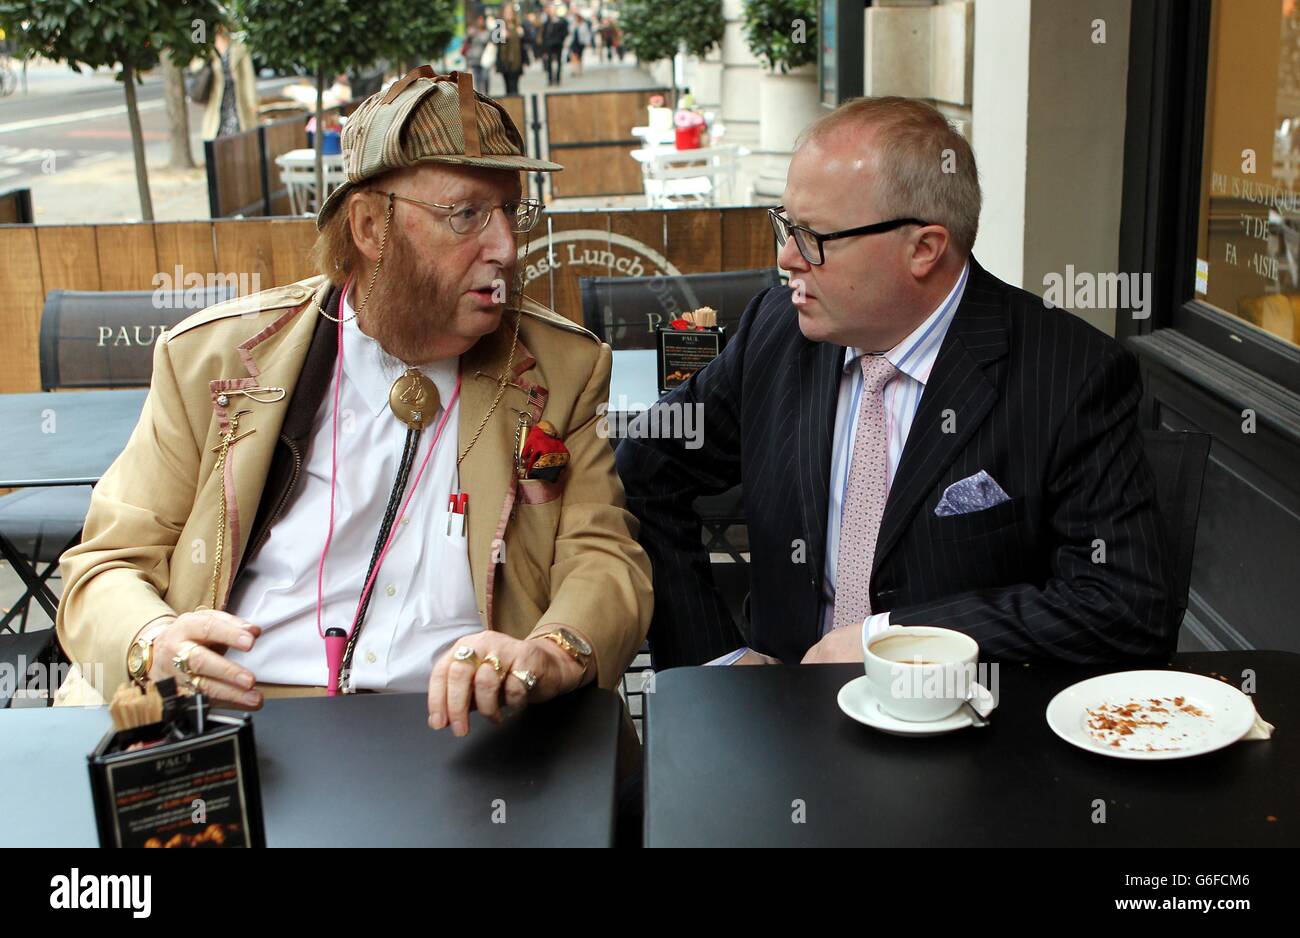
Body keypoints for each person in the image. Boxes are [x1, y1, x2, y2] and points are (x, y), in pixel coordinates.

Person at [56, 67, 653, 740]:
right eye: (466, 215)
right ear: (371, 226)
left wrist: (548, 653)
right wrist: (153, 642)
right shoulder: (212, 360)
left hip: (470, 729)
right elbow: (104, 566)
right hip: (244, 716)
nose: (508, 248)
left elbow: (604, 559)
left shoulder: (562, 367)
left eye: (512, 212)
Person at [615, 96, 1175, 669]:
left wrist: (894, 639)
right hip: (780, 716)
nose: (786, 257)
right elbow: (643, 469)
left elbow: (1125, 604)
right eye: (785, 225)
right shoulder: (776, 332)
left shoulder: (1068, 374)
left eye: (814, 237)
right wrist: (719, 662)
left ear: (924, 249)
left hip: (964, 733)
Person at [201, 24, 258, 140]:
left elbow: (248, 77)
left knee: (238, 134)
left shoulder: (240, 48)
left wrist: (252, 101)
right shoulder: (209, 51)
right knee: (217, 135)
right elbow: (196, 69)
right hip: (217, 101)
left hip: (237, 99)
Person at [497, 4, 525, 96]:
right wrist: (501, 37)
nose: (509, 15)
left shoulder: (518, 27)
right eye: (507, 13)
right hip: (505, 61)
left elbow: (527, 42)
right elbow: (493, 41)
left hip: (516, 61)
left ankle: (516, 107)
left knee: (515, 87)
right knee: (507, 88)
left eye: (510, 13)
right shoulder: (500, 26)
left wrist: (522, 34)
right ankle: (509, 108)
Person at [541, 5, 569, 86]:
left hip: (558, 44)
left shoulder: (561, 21)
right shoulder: (547, 22)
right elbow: (544, 34)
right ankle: (550, 79)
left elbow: (565, 32)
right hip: (549, 44)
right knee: (549, 62)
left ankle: (557, 79)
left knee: (559, 62)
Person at [464, 15, 491, 95]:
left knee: (485, 77)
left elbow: (485, 41)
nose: (480, 22)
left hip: (484, 59)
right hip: (474, 59)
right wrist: (469, 35)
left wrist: (476, 34)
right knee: (477, 79)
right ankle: (480, 95)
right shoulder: (472, 32)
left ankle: (487, 93)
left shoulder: (487, 32)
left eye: (481, 20)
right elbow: (466, 42)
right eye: (479, 20)